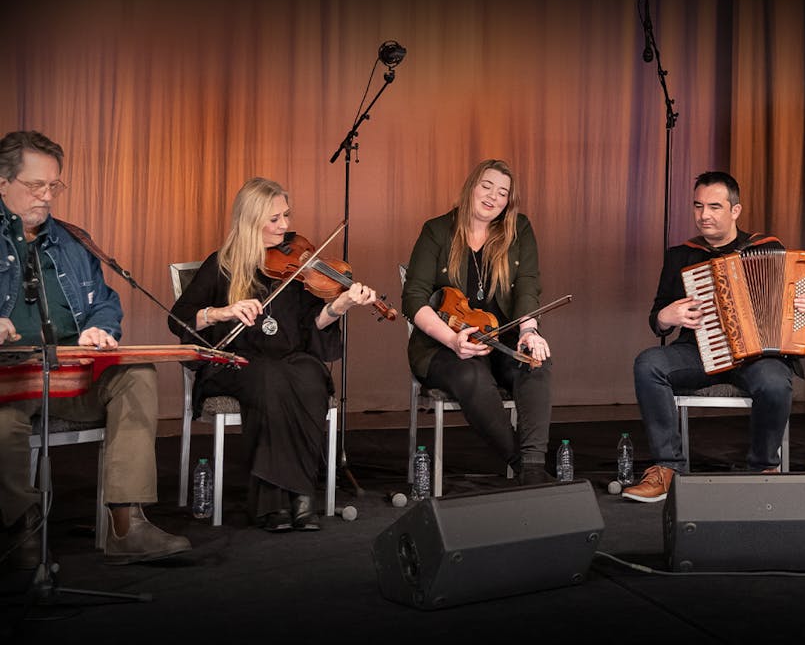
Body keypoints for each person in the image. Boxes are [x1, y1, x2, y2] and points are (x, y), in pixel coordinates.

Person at [0, 130, 190, 568]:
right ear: (4, 183)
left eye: (54, 186)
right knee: (2, 420)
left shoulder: (71, 242)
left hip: (70, 375)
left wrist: (99, 329)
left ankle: (127, 526)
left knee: (135, 375)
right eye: (36, 186)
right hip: (9, 382)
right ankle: (22, 531)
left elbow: (105, 301)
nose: (47, 197)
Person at [170, 177, 379, 532]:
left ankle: (291, 498)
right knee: (270, 379)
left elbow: (312, 325)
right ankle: (288, 499)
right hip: (236, 362)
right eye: (274, 219)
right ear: (250, 220)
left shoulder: (298, 266)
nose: (285, 226)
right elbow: (179, 319)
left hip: (291, 358)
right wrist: (222, 311)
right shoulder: (222, 264)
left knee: (310, 378)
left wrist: (339, 306)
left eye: (286, 215)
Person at [623, 171, 805, 503]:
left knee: (775, 383)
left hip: (759, 355)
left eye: (715, 206)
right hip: (698, 352)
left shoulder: (768, 248)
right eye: (698, 206)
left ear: (735, 211)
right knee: (649, 363)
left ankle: (762, 469)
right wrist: (666, 316)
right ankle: (668, 468)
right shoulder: (681, 255)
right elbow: (657, 317)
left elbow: (800, 307)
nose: (704, 215)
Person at [402, 159, 554, 486]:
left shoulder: (519, 230)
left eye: (502, 193)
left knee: (535, 362)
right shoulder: (437, 230)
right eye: (486, 186)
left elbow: (528, 284)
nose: (492, 197)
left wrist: (529, 331)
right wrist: (452, 340)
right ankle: (528, 470)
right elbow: (413, 297)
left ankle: (532, 464)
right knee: (472, 374)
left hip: (499, 336)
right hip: (441, 344)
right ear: (471, 187)